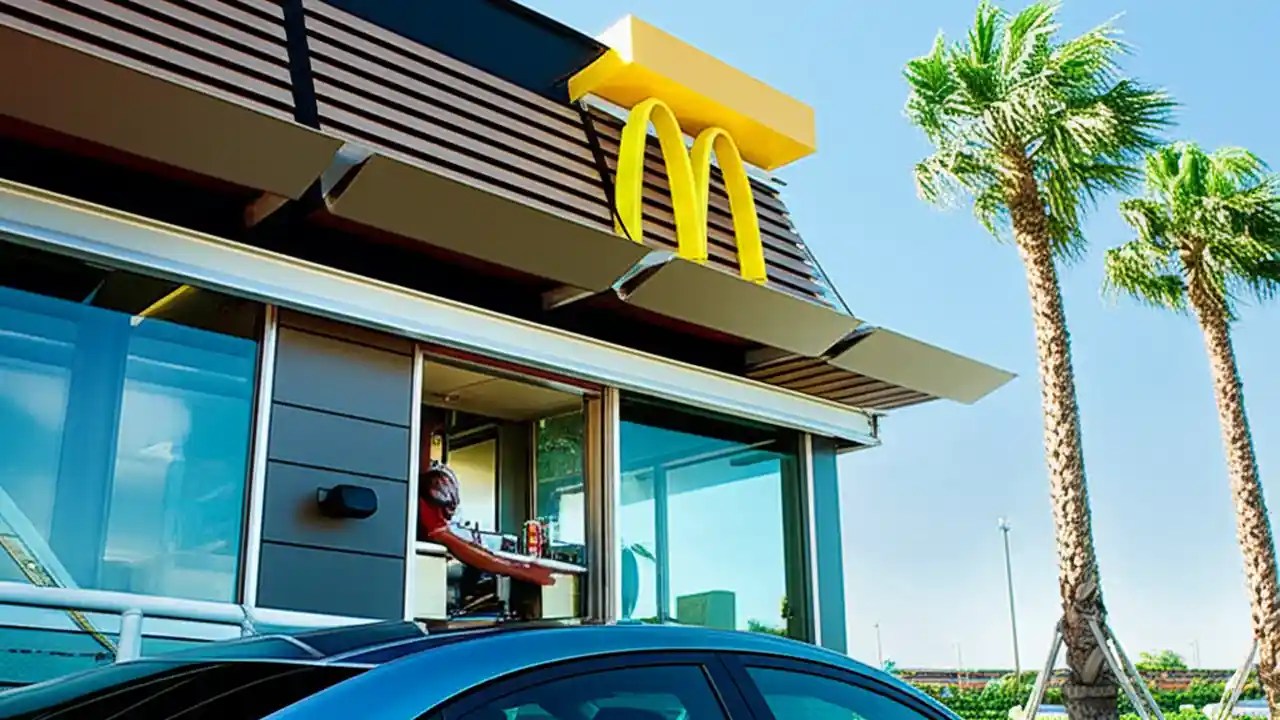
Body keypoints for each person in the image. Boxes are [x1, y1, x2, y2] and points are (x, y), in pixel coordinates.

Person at [418, 460, 555, 587]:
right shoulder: (427, 509)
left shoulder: (439, 509)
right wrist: (521, 571)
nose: (449, 515)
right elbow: (458, 545)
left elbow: (469, 547)